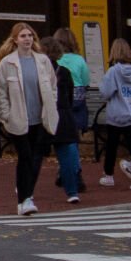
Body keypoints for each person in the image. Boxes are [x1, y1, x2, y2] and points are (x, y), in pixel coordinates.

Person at [0, 21, 59, 216]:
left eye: (30, 35)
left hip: (39, 118)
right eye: (23, 36)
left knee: (36, 157)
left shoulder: (43, 61)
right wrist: (6, 114)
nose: (27, 39)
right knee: (25, 156)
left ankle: (26, 194)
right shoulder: (7, 63)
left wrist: (51, 106)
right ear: (15, 39)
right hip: (18, 119)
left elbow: (52, 86)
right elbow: (0, 91)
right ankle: (24, 199)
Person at [97, 38, 131, 190]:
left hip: (116, 114)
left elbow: (105, 92)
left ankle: (109, 175)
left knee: (111, 145)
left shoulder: (113, 71)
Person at [41, 38, 82, 203]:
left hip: (44, 114)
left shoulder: (39, 71)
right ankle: (72, 191)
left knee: (34, 155)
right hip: (63, 114)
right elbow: (70, 96)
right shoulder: (64, 71)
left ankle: (26, 190)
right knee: (66, 156)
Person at [52, 27, 91, 195]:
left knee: (65, 141)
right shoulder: (79, 60)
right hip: (78, 100)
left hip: (61, 101)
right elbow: (86, 81)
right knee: (73, 140)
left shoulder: (56, 61)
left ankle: (69, 170)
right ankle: (72, 170)